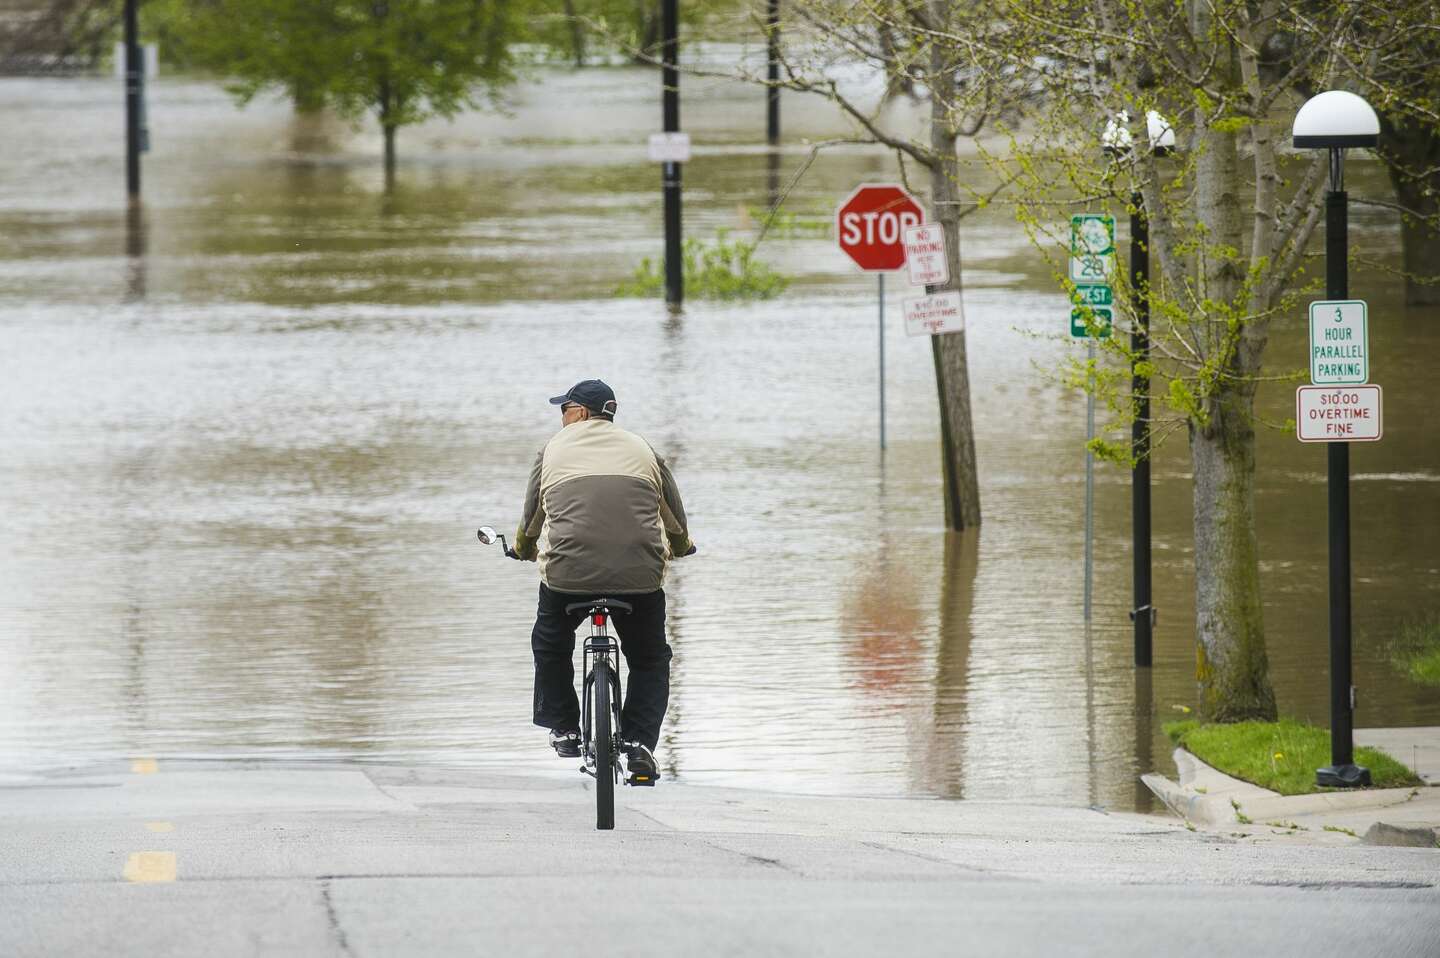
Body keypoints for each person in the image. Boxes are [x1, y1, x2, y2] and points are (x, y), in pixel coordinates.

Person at [509, 379, 694, 785]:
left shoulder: (552, 451)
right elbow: (674, 516)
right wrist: (681, 546)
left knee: (550, 642)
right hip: (639, 575)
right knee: (649, 657)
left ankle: (565, 728)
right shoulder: (642, 448)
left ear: (578, 412)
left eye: (563, 410)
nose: (560, 418)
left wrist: (523, 548)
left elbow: (532, 517)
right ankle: (640, 743)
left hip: (568, 576)